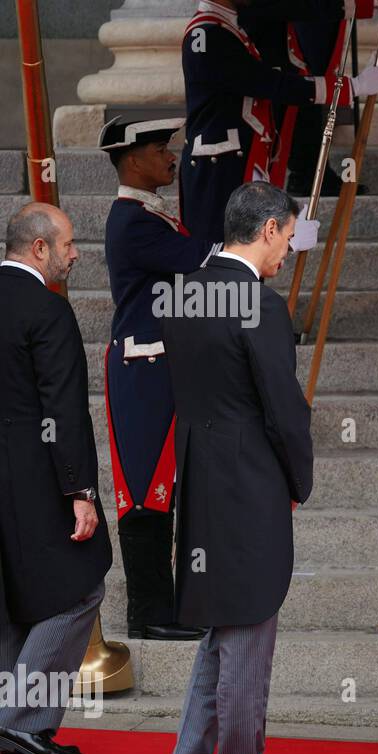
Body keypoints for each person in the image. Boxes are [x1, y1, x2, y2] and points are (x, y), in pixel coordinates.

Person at [157, 182, 315, 754]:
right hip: (249, 481)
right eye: (288, 236)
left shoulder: (181, 293)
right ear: (269, 228)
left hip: (201, 477)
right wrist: (297, 480)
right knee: (249, 628)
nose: (288, 252)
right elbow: (284, 410)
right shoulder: (260, 304)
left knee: (226, 623)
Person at [0, 204, 112, 754]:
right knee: (81, 582)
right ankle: (20, 720)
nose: (75, 253)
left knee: (11, 598)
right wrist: (80, 492)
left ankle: (10, 725)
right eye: (67, 244)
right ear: (39, 249)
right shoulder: (48, 311)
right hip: (36, 480)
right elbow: (64, 412)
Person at [99, 115, 218, 643]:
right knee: (146, 492)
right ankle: (148, 613)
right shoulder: (132, 220)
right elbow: (198, 260)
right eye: (160, 149)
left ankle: (168, 606)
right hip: (144, 368)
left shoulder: (152, 214)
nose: (172, 156)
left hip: (162, 364)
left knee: (165, 487)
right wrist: (259, 239)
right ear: (131, 160)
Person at [179, 0, 378, 245]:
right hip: (221, 165)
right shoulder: (208, 33)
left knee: (245, 264)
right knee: (222, 260)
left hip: (241, 157)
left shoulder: (227, 28)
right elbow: (271, 84)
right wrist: (351, 87)